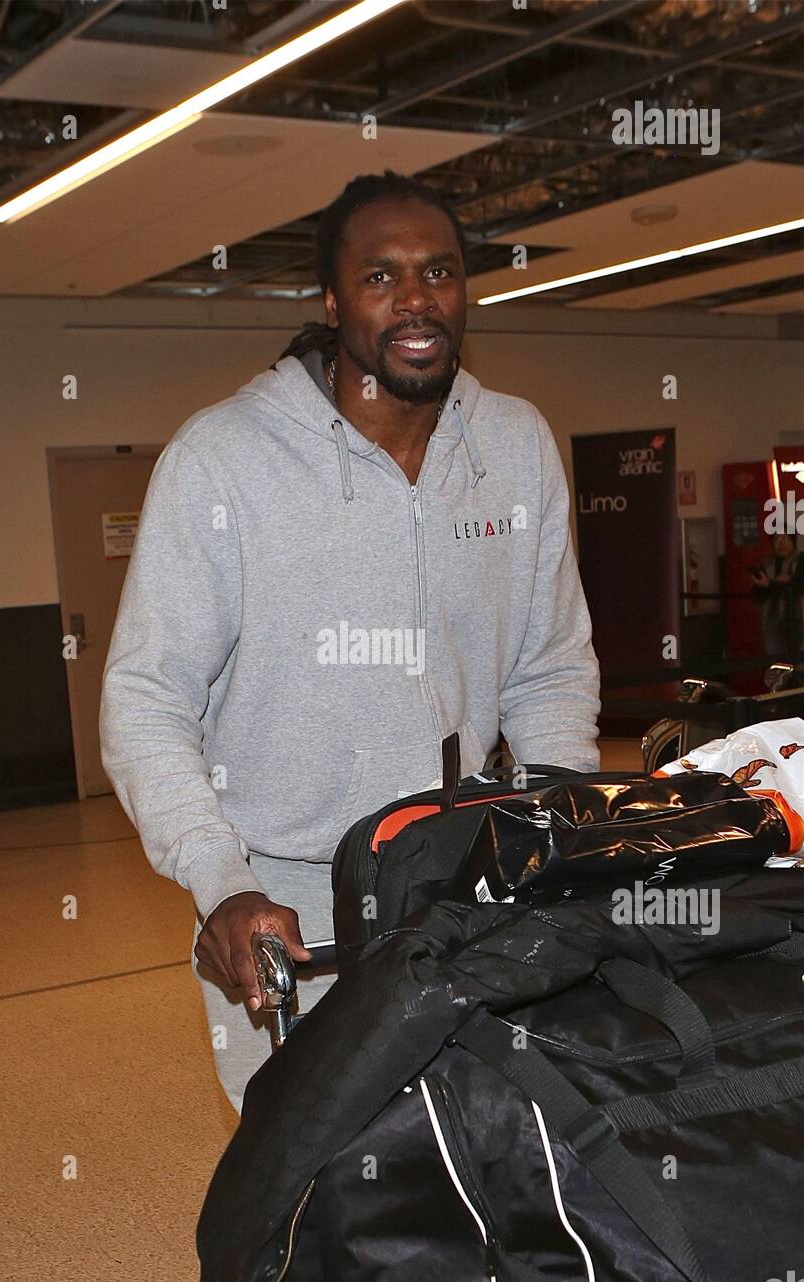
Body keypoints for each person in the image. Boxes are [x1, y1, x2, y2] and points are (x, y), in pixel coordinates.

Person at [99, 170, 601, 1115]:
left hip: (469, 876)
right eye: (381, 276)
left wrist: (555, 822)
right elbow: (147, 700)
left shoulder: (516, 445)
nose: (417, 299)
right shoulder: (223, 461)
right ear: (332, 303)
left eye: (440, 272)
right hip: (294, 908)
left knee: (498, 1165)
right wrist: (220, 886)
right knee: (323, 1205)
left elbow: (550, 664)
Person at [750, 532, 804, 661]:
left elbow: (799, 584)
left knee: (798, 663)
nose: (781, 542)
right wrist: (767, 584)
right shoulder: (767, 563)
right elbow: (757, 596)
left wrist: (771, 583)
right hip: (771, 620)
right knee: (776, 664)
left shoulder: (800, 559)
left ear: (793, 540)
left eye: (785, 537)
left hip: (797, 619)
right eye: (777, 538)